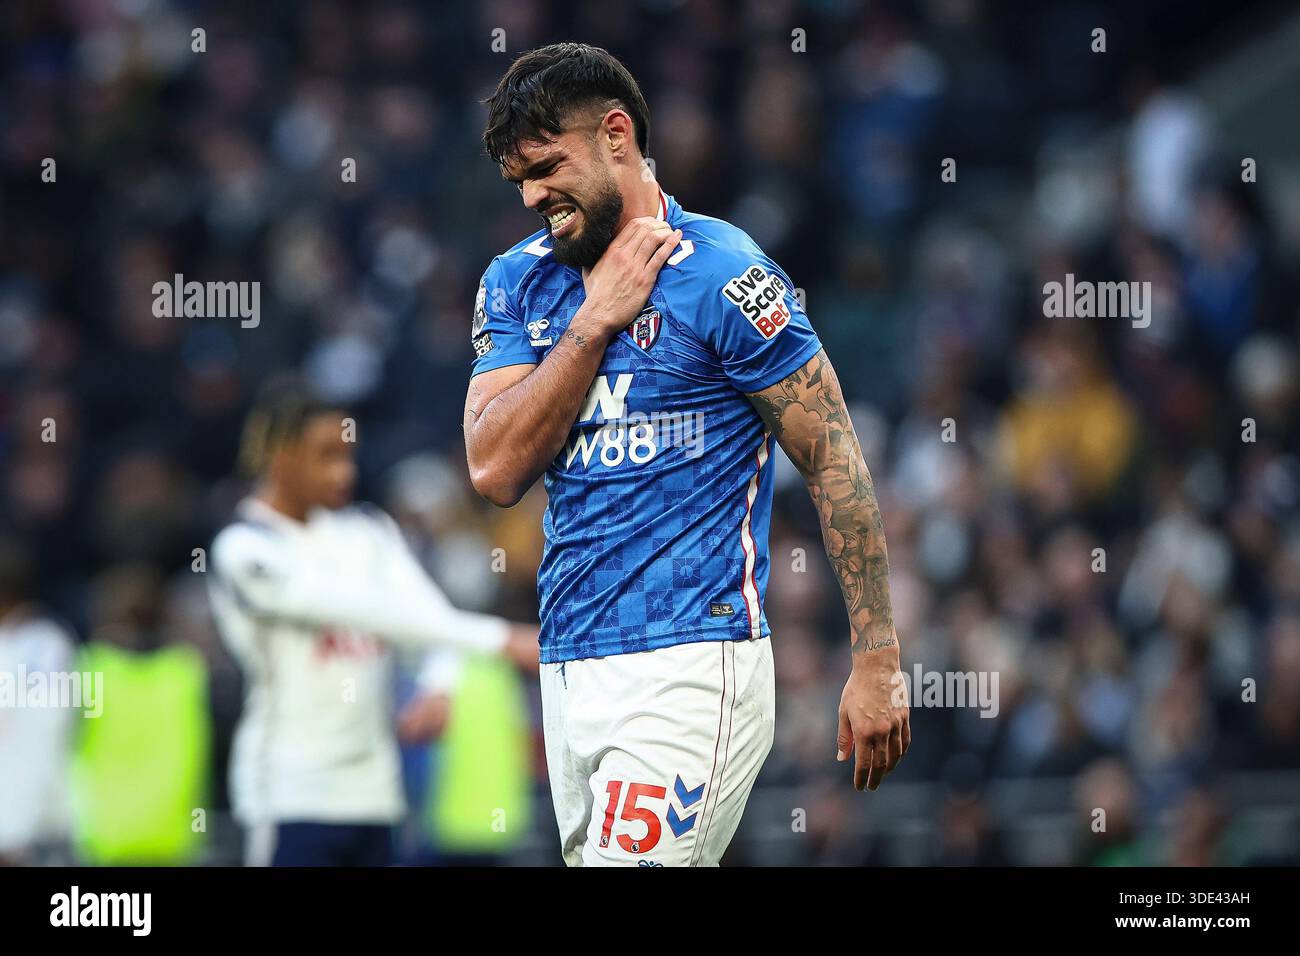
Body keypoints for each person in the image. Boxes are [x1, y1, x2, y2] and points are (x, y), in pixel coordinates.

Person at [464, 43, 910, 867]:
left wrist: (877, 658)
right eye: (518, 180)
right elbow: (494, 468)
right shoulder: (517, 283)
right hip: (568, 665)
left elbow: (833, 458)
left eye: (547, 168)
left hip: (692, 660)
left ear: (617, 134)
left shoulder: (725, 275)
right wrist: (594, 321)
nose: (532, 197)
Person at [209, 378, 538, 866]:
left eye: (348, 454)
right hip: (290, 793)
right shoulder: (245, 546)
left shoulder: (368, 531)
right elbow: (358, 610)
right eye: (326, 455)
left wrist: (439, 681)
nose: (345, 471)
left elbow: (427, 617)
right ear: (279, 456)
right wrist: (501, 639)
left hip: (376, 795)